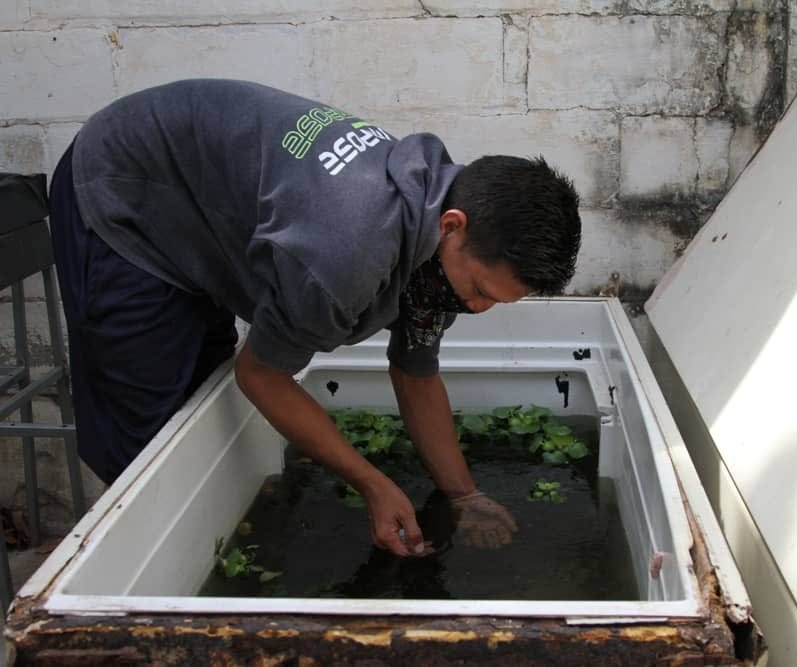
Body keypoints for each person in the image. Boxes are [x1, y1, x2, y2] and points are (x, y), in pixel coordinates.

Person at [47, 79, 582, 558]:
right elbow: (261, 375)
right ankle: (134, 581)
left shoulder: (434, 221)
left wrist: (464, 496)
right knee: (149, 440)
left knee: (198, 391)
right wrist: (372, 483)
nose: (478, 308)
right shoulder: (347, 253)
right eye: (481, 291)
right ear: (453, 226)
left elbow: (416, 372)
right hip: (128, 186)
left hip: (196, 191)